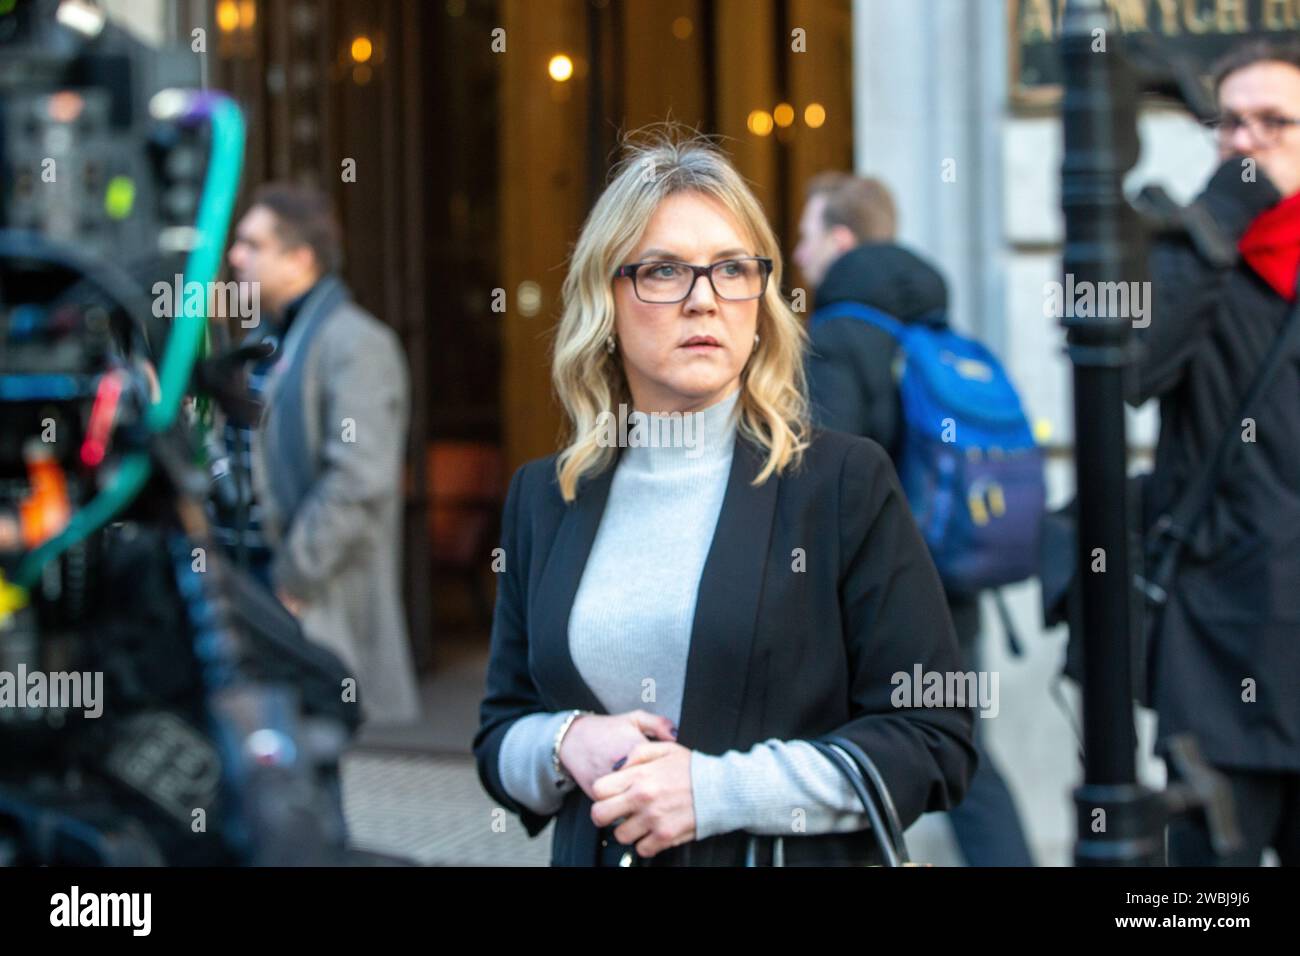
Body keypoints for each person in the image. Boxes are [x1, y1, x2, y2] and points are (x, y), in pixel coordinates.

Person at [473, 130, 975, 866]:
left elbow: (934, 739)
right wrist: (564, 741)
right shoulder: (547, 497)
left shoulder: (840, 484)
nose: (705, 300)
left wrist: (713, 791)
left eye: (733, 269)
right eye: (666, 270)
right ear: (605, 300)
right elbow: (498, 733)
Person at [799, 178, 1036, 866]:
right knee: (963, 753)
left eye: (808, 234)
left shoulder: (837, 336)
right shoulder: (936, 329)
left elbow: (825, 472)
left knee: (849, 756)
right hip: (954, 579)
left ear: (841, 241)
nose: (798, 251)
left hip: (871, 597)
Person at [1133, 38, 1300, 865]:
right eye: (1230, 123)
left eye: (1275, 122)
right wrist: (1217, 222)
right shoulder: (1191, 253)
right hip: (1217, 651)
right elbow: (1130, 369)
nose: (1247, 143)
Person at [221, 182, 419, 726]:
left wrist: (291, 578)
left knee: (316, 775)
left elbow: (359, 480)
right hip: (250, 591)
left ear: (300, 259)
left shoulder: (356, 343)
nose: (236, 256)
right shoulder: (261, 340)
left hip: (303, 599)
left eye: (253, 244)